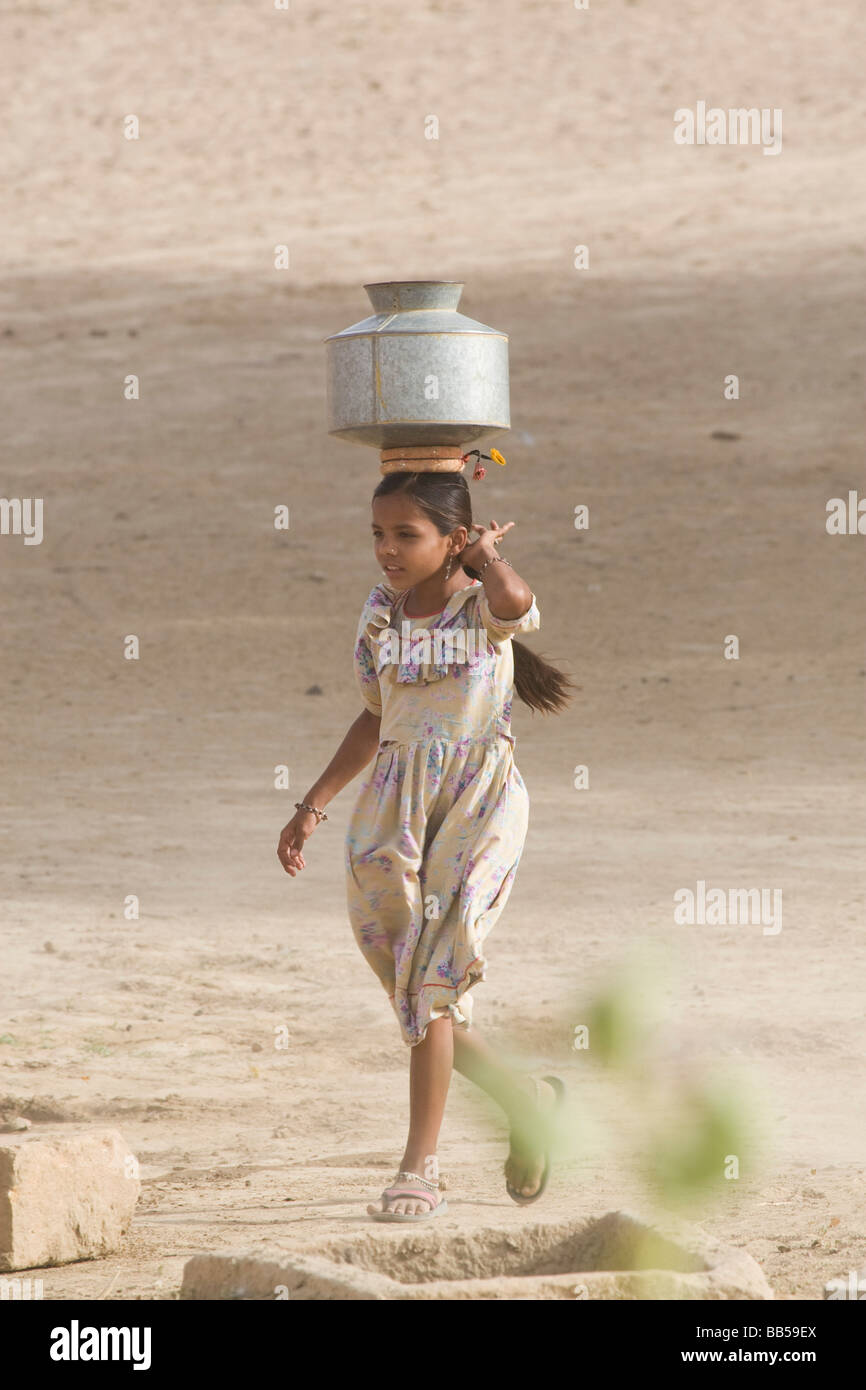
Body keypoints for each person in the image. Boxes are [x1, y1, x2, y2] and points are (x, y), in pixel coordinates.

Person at [276, 466, 575, 1221]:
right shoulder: (381, 615)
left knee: (434, 983)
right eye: (377, 533)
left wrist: (488, 561)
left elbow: (519, 602)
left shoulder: (482, 609)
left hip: (478, 809)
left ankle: (420, 1169)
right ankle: (528, 1101)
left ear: (454, 540)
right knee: (419, 997)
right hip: (393, 819)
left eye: (405, 535)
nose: (386, 549)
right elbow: (375, 717)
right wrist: (311, 805)